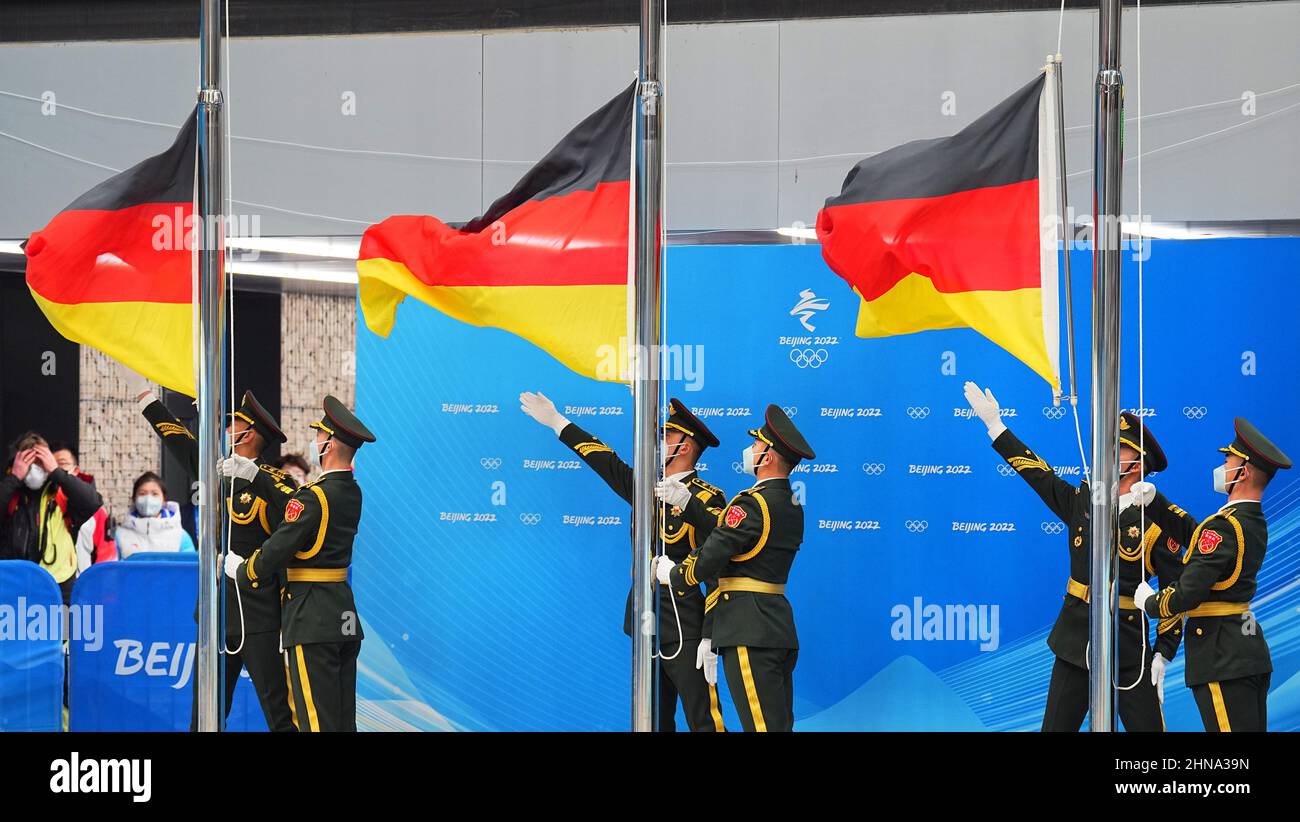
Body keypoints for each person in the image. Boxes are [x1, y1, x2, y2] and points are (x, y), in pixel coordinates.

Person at [964, 382, 1186, 731]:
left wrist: (1164, 651)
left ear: (1138, 463)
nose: (1109, 454)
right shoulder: (1085, 502)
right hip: (1075, 640)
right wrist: (996, 426)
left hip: (1129, 650)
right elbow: (1039, 476)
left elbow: (1176, 591)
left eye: (1119, 449)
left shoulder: (1158, 519)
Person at [520, 392, 730, 732]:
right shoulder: (644, 487)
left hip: (686, 626)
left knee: (704, 720)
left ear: (686, 447)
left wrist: (711, 634)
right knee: (651, 722)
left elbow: (719, 571)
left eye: (667, 437)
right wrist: (558, 422)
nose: (659, 442)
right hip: (646, 623)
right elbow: (604, 460)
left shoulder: (706, 498)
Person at [135, 386, 299, 732]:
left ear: (248, 433)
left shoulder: (273, 480)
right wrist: (149, 402)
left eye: (231, 425)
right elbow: (181, 442)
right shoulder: (216, 472)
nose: (225, 431)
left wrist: (257, 478)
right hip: (216, 611)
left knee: (278, 713)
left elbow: (298, 517)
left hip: (258, 614)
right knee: (204, 715)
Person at [657, 405, 813, 732]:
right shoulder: (790, 504)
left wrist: (671, 575)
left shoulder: (750, 503)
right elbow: (732, 533)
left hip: (747, 628)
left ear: (768, 457)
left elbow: (715, 551)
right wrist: (689, 504)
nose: (751, 450)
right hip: (776, 625)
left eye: (757, 445)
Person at [1134, 417, 1291, 732]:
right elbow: (1201, 541)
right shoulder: (1248, 521)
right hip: (1242, 651)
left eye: (1227, 459)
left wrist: (1151, 603)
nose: (1222, 466)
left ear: (1242, 471)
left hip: (1221, 657)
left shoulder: (1225, 525)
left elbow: (1187, 593)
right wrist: (1156, 504)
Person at [229, 395, 374, 732]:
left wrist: (243, 569)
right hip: (341, 612)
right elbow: (296, 503)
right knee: (341, 721)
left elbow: (280, 546)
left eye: (319, 436)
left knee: (313, 720)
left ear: (329, 445)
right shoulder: (349, 491)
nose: (314, 442)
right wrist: (257, 475)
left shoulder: (314, 495)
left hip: (311, 617)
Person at [0, 432, 101, 603]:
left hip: (60, 587)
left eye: (40, 462)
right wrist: (15, 478)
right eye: (28, 462)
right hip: (13, 587)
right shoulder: (9, 492)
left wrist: (56, 471)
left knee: (62, 630)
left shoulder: (61, 494)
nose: (34, 469)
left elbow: (92, 502)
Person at [51, 442, 118, 571]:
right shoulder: (41, 504)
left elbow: (107, 557)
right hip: (46, 584)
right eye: (51, 466)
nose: (55, 471)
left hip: (82, 585)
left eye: (62, 464)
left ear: (76, 470)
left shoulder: (94, 509)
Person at [113, 472, 195, 557]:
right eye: (142, 494)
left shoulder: (180, 536)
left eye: (155, 494)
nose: (148, 498)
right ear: (134, 498)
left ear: (164, 499)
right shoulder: (120, 536)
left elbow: (189, 567)